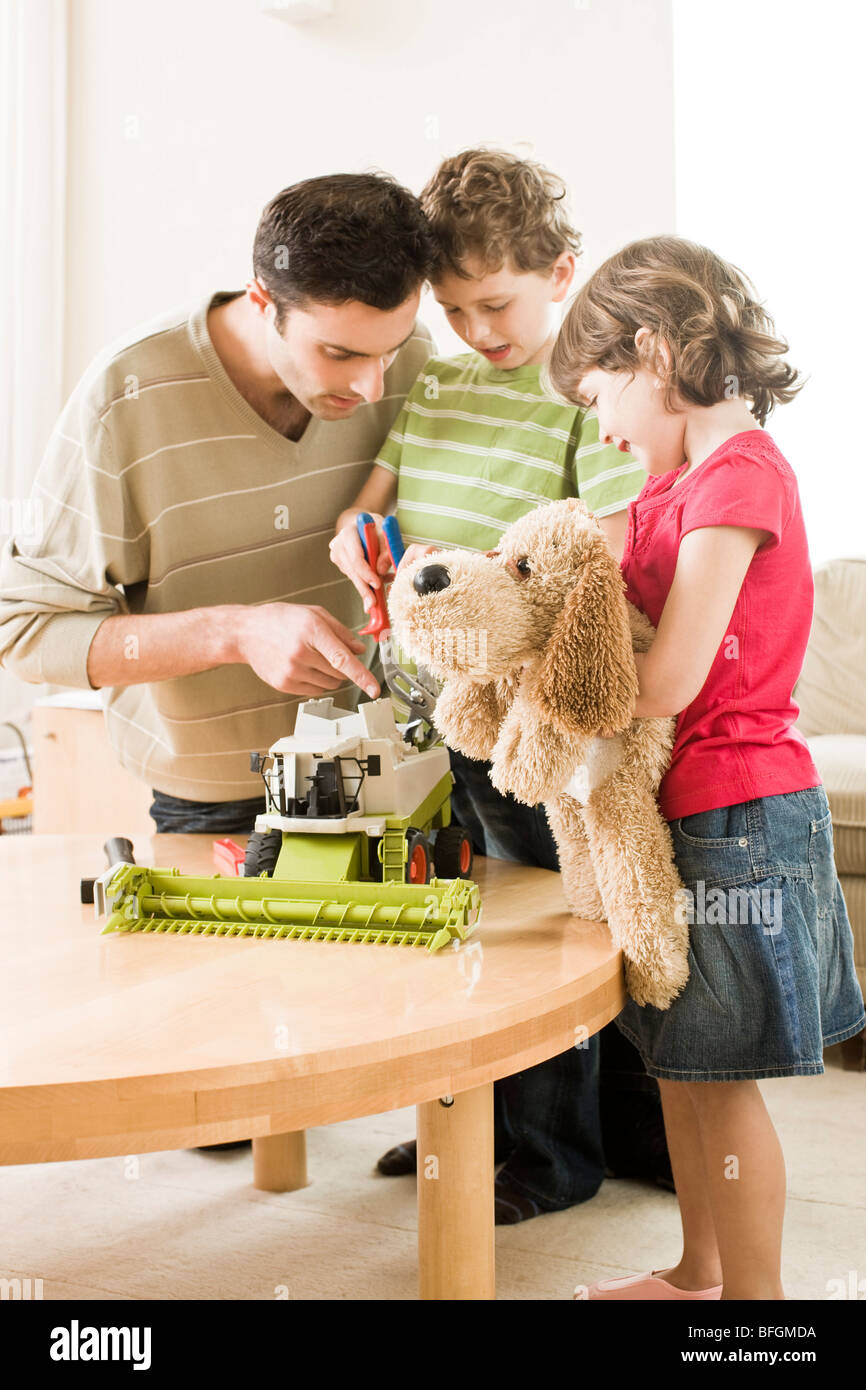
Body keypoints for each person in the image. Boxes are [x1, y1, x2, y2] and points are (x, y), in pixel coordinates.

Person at [330, 149, 670, 1223]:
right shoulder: (430, 377)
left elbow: (604, 556)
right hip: (415, 700)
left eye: (496, 304)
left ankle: (550, 1153)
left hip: (519, 711)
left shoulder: (584, 394)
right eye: (454, 306)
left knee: (533, 932)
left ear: (560, 271)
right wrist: (357, 540)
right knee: (435, 915)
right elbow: (369, 503)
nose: (478, 330)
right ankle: (458, 1126)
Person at [546, 234, 866, 1299]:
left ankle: (754, 1309)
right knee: (681, 1067)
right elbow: (565, 548)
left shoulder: (739, 475)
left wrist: (558, 700)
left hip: (741, 813)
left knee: (721, 1082)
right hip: (689, 814)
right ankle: (696, 1274)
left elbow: (674, 674)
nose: (599, 427)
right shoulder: (676, 487)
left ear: (650, 351)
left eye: (600, 398)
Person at [0, 173, 435, 826]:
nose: (373, 387)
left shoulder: (412, 361)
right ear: (265, 299)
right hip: (215, 804)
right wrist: (237, 632)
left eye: (389, 351)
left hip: (386, 769)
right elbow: (28, 634)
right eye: (339, 353)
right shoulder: (126, 396)